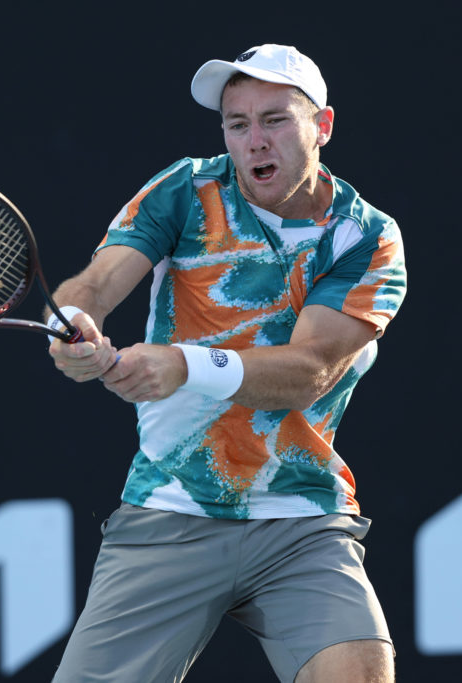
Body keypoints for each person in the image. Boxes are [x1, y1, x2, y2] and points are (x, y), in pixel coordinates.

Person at [45, 44, 407, 683]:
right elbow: (96, 285)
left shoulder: (363, 236)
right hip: (171, 507)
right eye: (237, 124)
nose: (254, 141)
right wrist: (74, 324)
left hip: (300, 515)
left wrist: (185, 366)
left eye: (275, 120)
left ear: (322, 127)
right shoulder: (185, 193)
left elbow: (310, 370)